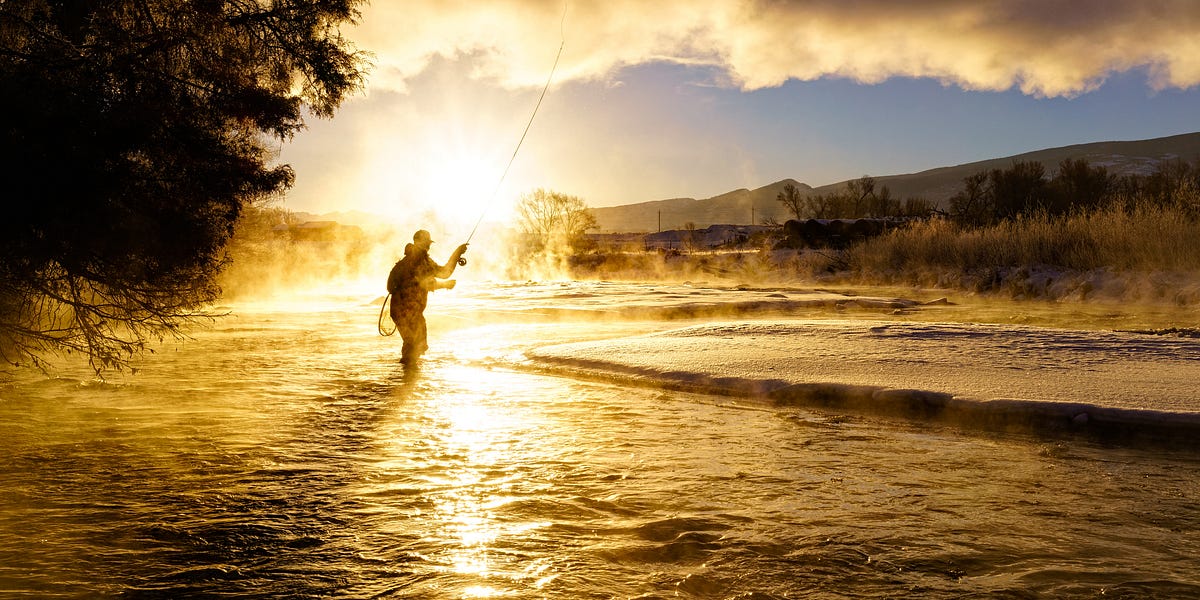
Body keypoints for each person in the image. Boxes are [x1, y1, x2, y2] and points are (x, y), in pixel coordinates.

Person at [387, 229, 468, 364]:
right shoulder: (418, 261)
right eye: (427, 242)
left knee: (412, 347)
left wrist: (457, 253)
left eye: (429, 243)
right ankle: (405, 380)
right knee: (413, 347)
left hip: (402, 312)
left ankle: (403, 379)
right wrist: (445, 284)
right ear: (419, 242)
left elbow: (392, 286)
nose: (429, 246)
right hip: (408, 313)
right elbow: (435, 278)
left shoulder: (411, 260)